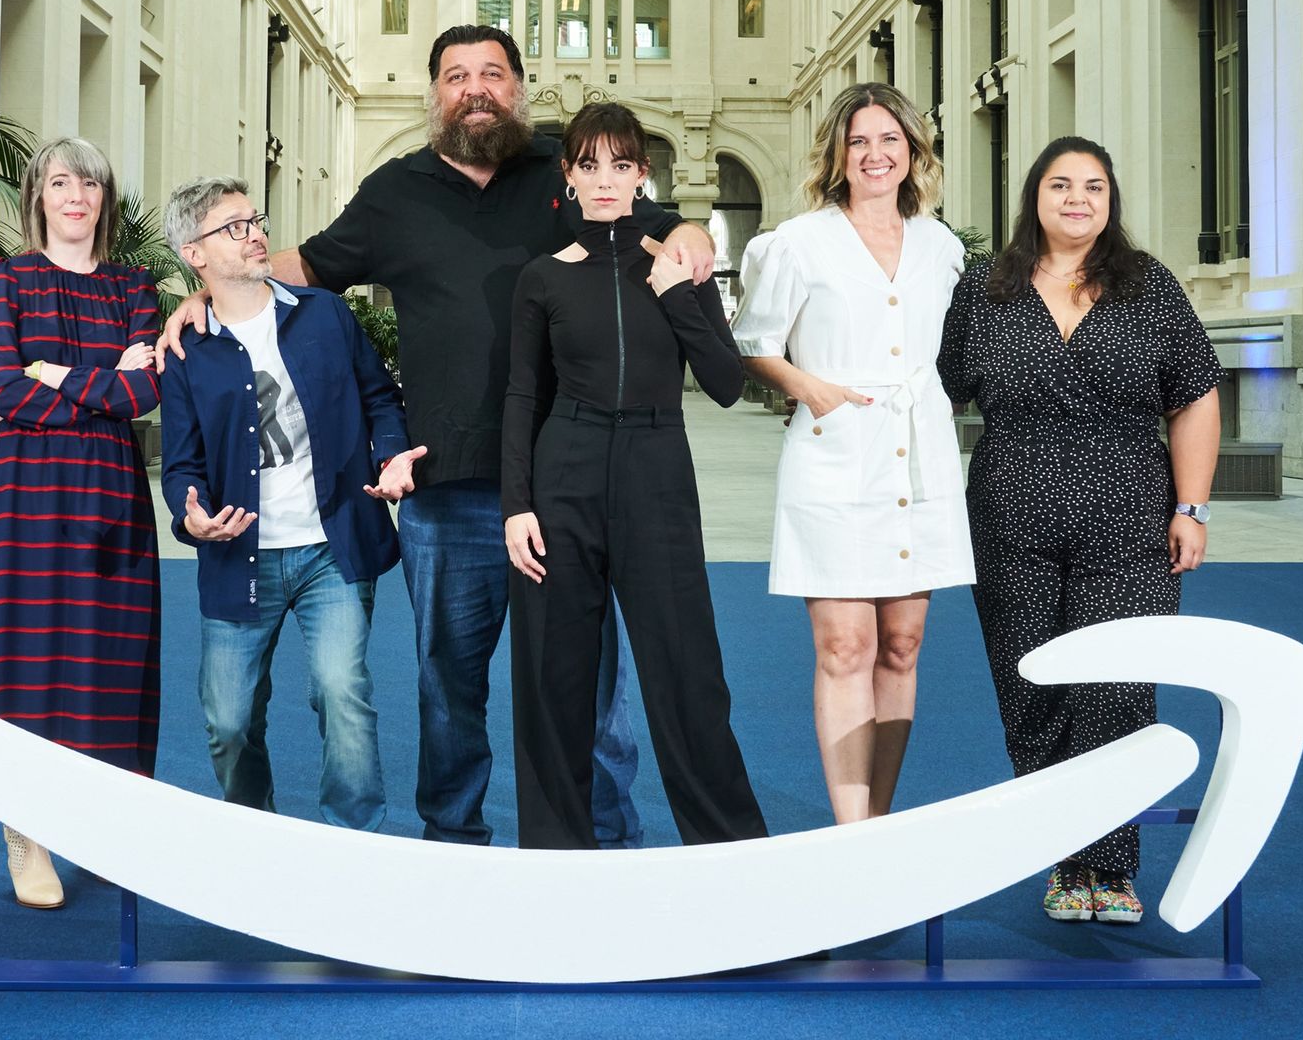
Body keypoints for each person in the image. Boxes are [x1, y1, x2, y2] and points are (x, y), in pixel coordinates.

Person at [156, 25, 718, 847]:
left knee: (590, 681)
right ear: (435, 95)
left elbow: (659, 224)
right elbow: (308, 264)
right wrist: (207, 288)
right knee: (448, 686)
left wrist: (694, 235)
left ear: (519, 87)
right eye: (456, 76)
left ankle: (602, 841)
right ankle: (454, 841)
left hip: (566, 481)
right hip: (447, 491)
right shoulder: (396, 190)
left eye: (492, 73)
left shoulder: (562, 170)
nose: (474, 88)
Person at [937, 136, 1221, 925]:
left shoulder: (1147, 286)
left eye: (1093, 186)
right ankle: (1064, 858)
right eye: (1060, 184)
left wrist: (1192, 507)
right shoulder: (985, 289)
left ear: (1110, 200)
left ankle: (1113, 865)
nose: (1077, 199)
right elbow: (932, 392)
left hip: (1129, 520)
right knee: (1031, 689)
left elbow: (1195, 395)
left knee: (1119, 688)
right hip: (1009, 519)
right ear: (1035, 196)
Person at [502, 103, 769, 850]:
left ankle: (731, 854)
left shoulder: (678, 264)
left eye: (620, 165)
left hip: (657, 471)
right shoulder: (542, 277)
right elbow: (523, 395)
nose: (604, 180)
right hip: (564, 474)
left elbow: (726, 383)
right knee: (554, 675)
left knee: (689, 672)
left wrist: (675, 292)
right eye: (589, 165)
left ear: (642, 174)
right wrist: (516, 505)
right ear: (568, 175)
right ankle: (556, 854)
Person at [731, 83, 975, 826]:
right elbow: (753, 341)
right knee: (845, 645)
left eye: (889, 139)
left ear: (912, 150)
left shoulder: (942, 247)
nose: (875, 154)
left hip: (920, 455)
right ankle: (851, 832)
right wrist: (812, 389)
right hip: (835, 457)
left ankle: (881, 825)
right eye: (858, 141)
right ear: (837, 154)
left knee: (902, 643)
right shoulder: (797, 243)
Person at [156, 176, 426, 831]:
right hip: (239, 555)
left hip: (332, 546)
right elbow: (182, 461)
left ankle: (353, 843)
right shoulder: (187, 351)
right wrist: (190, 514)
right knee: (229, 721)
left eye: (255, 221)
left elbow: (380, 398)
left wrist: (391, 455)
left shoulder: (324, 315)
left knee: (342, 691)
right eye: (235, 228)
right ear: (195, 254)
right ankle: (257, 833)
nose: (255, 235)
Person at [0, 136, 162, 909]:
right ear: (38, 196)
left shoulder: (135, 287)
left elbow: (146, 394)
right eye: (62, 183)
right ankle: (26, 830)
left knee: (108, 657)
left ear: (105, 199)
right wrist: (103, 383)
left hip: (111, 491)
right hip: (21, 492)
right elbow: (2, 389)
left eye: (91, 184)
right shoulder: (4, 279)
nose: (77, 197)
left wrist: (58, 373)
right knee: (24, 657)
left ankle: (99, 820)